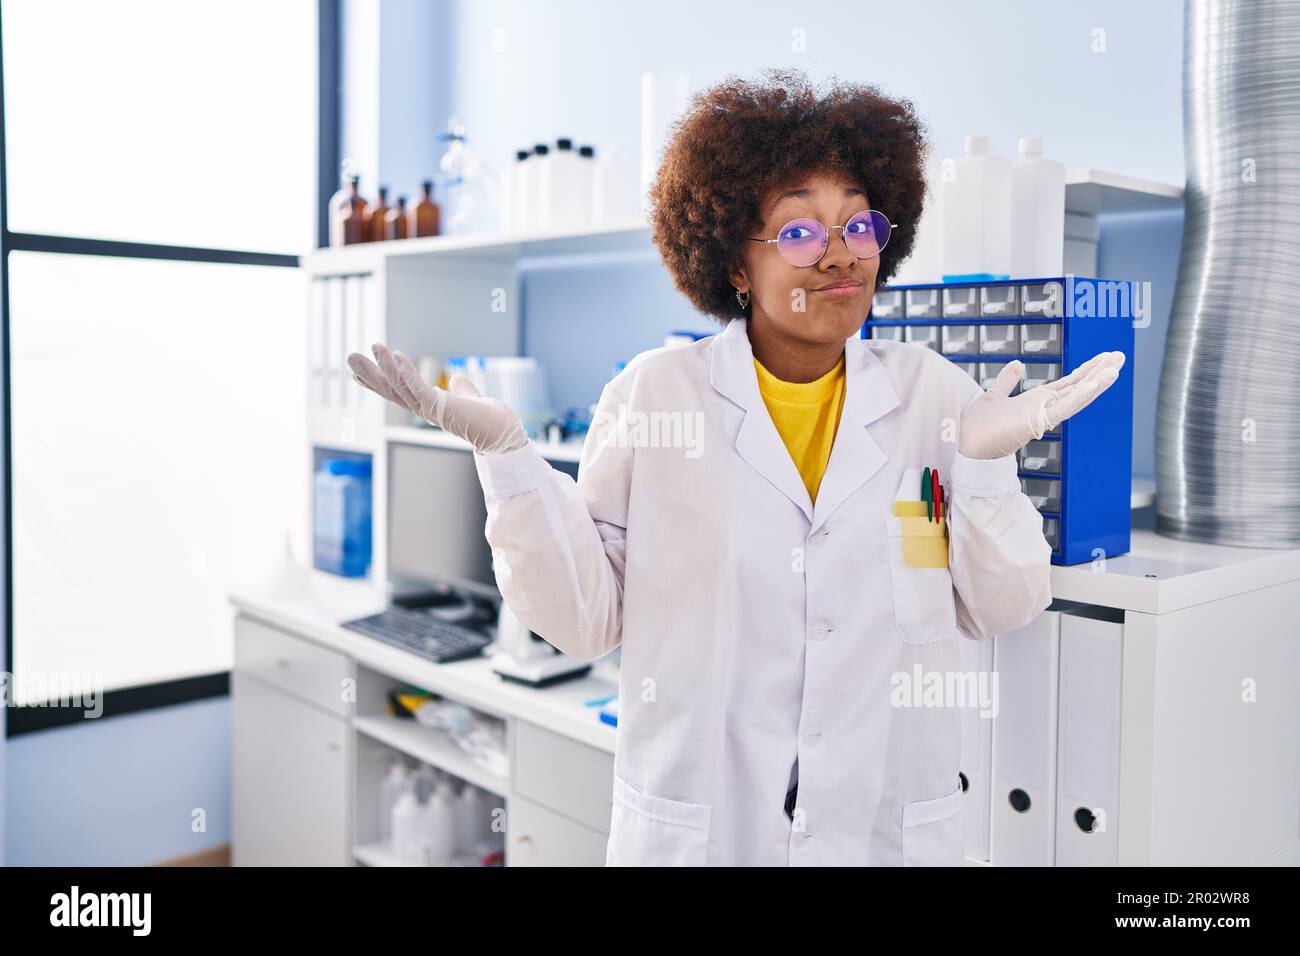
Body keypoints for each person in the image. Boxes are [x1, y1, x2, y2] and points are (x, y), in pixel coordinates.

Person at [348, 68, 1124, 866]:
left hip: (882, 831)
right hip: (705, 830)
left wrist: (988, 469)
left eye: (860, 227)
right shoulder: (656, 395)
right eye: (798, 233)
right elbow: (585, 622)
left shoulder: (934, 397)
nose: (838, 257)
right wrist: (509, 461)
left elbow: (1004, 606)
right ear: (733, 265)